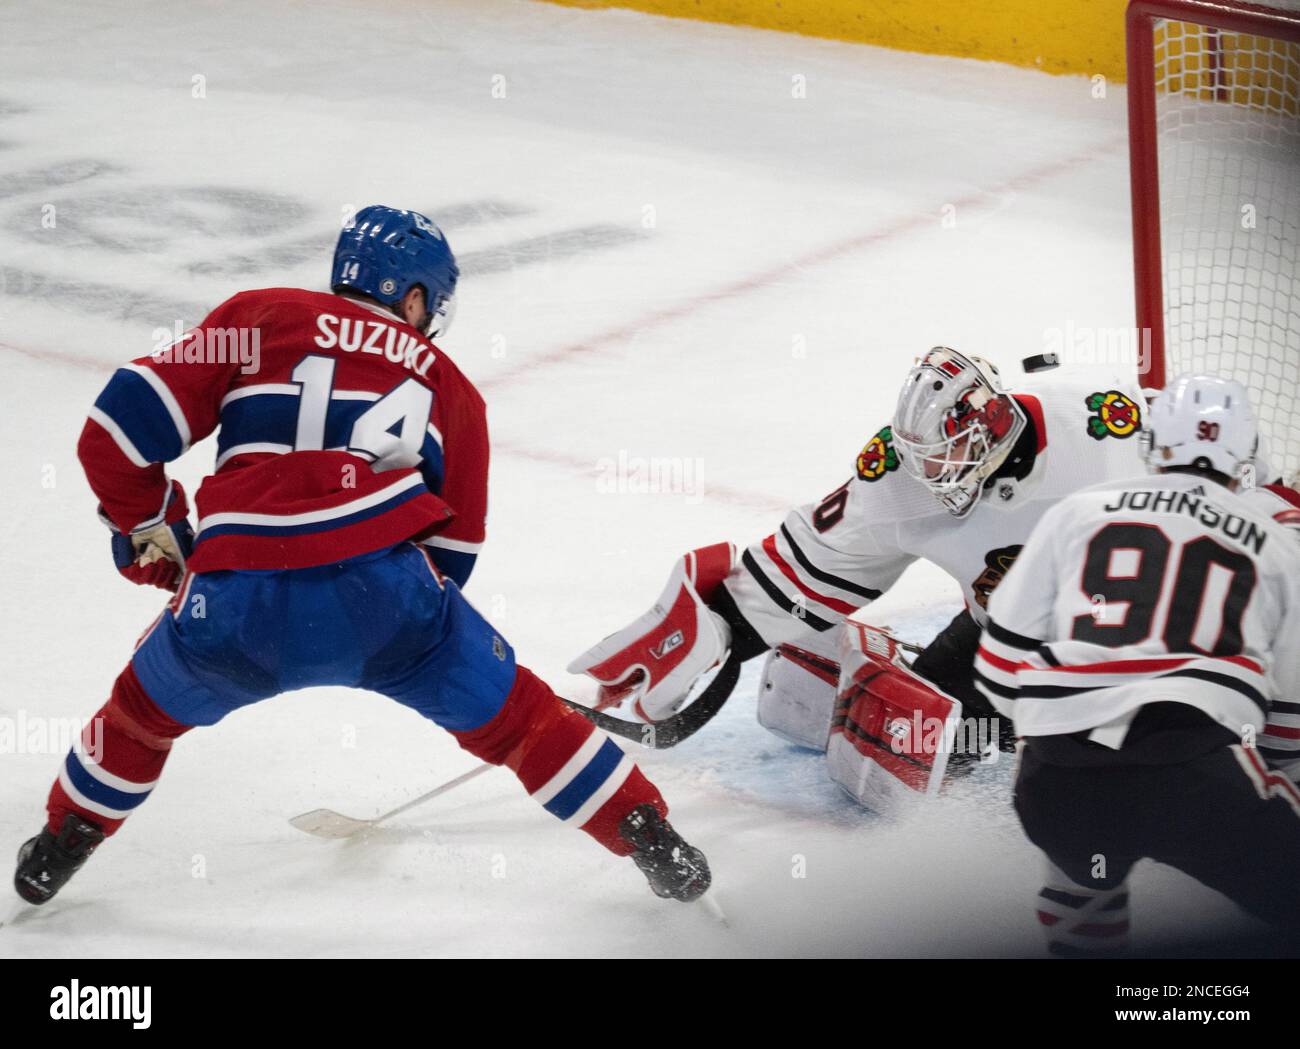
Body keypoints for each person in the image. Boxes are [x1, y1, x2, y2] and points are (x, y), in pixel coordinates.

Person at [14, 205, 709, 908]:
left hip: (232, 598)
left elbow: (113, 433)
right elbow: (455, 556)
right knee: (522, 720)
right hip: (386, 597)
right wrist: (420, 633)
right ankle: (647, 831)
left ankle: (64, 836)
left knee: (140, 710)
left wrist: (153, 529)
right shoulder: (450, 384)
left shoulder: (257, 315)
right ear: (413, 298)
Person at [569, 347, 1149, 784]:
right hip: (1002, 636)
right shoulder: (901, 475)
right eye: (922, 457)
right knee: (914, 748)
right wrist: (711, 631)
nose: (931, 474)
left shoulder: (1107, 444)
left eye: (946, 454)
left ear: (990, 427)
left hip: (1134, 649)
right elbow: (808, 569)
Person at [974, 374, 1300, 953]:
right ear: (1247, 454)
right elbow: (1291, 714)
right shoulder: (1272, 543)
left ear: (1152, 444)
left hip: (1053, 787)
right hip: (1192, 774)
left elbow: (999, 672)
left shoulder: (1077, 512)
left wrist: (1062, 733)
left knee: (1082, 880)